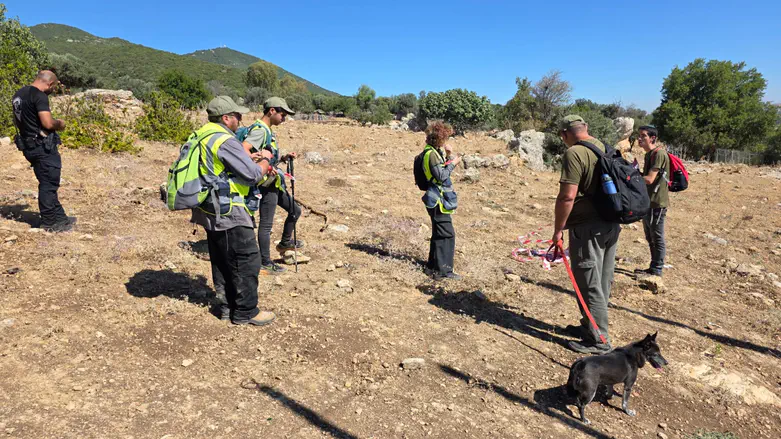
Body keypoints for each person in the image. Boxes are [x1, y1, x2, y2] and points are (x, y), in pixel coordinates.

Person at [191, 95, 275, 326]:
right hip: (228, 208)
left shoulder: (202, 135)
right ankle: (246, 311)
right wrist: (266, 159)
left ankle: (227, 308)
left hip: (208, 208)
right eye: (237, 115)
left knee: (222, 259)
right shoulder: (224, 140)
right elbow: (252, 174)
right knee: (247, 259)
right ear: (226, 118)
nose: (241, 119)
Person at [552, 115, 620, 354]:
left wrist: (558, 230)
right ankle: (589, 327)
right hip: (611, 223)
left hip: (588, 228)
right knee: (601, 280)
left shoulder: (574, 153)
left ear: (564, 134)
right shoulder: (603, 147)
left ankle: (599, 341)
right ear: (586, 128)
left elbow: (567, 196)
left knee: (589, 282)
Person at [241, 97, 302, 275]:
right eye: (283, 114)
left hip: (273, 182)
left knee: (295, 210)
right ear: (272, 111)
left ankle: (285, 243)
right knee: (266, 225)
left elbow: (262, 154)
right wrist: (263, 167)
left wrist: (282, 159)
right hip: (265, 184)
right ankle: (265, 262)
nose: (284, 118)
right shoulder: (260, 130)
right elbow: (244, 150)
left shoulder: (267, 130)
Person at [11, 70, 76, 232]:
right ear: (50, 84)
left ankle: (60, 218)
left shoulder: (18, 94)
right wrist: (59, 124)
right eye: (53, 88)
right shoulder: (39, 96)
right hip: (42, 146)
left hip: (28, 145)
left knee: (47, 181)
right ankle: (49, 222)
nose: (52, 91)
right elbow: (47, 123)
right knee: (49, 184)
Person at [420, 121, 462, 281]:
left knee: (439, 233)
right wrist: (453, 163)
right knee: (447, 234)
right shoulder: (431, 154)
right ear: (439, 138)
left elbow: (439, 168)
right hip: (437, 200)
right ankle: (444, 271)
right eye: (445, 137)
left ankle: (432, 267)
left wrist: (449, 156)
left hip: (435, 198)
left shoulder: (432, 151)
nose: (446, 140)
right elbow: (442, 176)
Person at [635, 125, 670, 277]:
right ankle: (653, 267)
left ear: (652, 138)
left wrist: (631, 177)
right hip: (648, 201)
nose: (640, 139)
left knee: (657, 236)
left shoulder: (659, 154)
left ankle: (657, 270)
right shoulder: (649, 154)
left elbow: (649, 179)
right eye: (639, 136)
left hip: (657, 202)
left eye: (643, 136)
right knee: (650, 236)